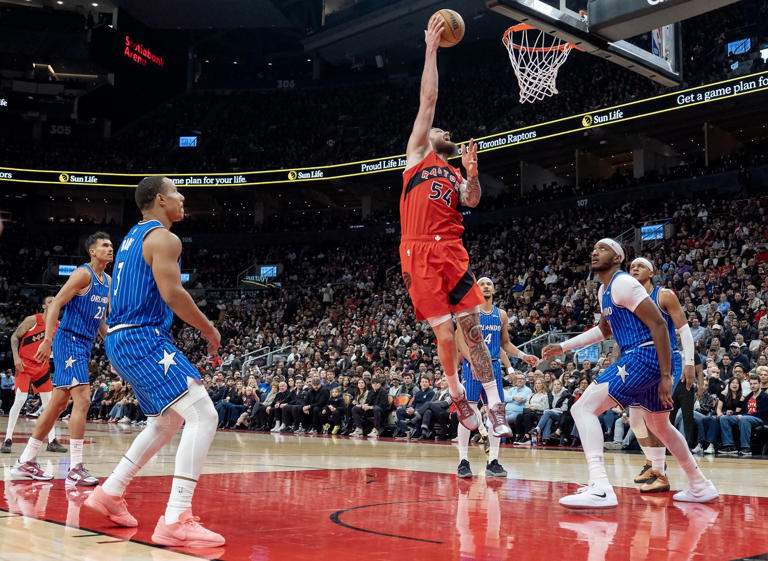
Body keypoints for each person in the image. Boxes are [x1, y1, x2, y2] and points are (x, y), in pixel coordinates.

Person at [83, 176, 224, 548]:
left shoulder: (132, 237)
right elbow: (173, 294)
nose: (182, 197)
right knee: (203, 414)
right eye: (176, 192)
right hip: (142, 337)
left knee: (166, 420)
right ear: (160, 199)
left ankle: (111, 491)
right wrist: (208, 328)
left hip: (121, 338)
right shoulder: (164, 238)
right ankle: (177, 517)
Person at [542, 239, 716, 508]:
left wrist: (667, 375)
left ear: (617, 258)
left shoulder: (623, 283)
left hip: (645, 355)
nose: (594, 252)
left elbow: (659, 325)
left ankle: (600, 487)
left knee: (583, 408)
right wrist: (564, 346)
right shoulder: (604, 290)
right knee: (659, 426)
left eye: (603, 249)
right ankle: (700, 484)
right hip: (648, 357)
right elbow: (603, 331)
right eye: (594, 248)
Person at [398, 16, 509, 438]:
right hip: (418, 249)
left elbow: (472, 200)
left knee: (473, 332)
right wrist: (431, 49)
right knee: (445, 334)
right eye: (441, 129)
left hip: (452, 250)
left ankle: (495, 405)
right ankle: (457, 393)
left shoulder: (454, 172)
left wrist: (473, 174)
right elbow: (428, 100)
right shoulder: (417, 155)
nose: (447, 130)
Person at [12, 232, 113, 485]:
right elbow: (56, 303)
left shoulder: (108, 281)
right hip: (68, 340)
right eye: (104, 245)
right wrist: (47, 340)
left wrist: (112, 347)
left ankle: (26, 461)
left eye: (111, 245)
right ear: (92, 251)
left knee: (57, 405)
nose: (110, 248)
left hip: (84, 343)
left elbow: (100, 320)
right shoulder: (83, 274)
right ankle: (75, 467)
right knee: (83, 399)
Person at [627, 257, 699, 493]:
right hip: (640, 361)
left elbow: (684, 331)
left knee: (656, 421)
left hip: (666, 360)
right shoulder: (628, 300)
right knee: (635, 419)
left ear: (651, 272)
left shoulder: (664, 295)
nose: (634, 268)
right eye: (631, 267)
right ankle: (653, 463)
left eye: (640, 266)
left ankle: (663, 471)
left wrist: (690, 363)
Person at [455, 277, 538, 478]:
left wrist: (522, 356)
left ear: (494, 289)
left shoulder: (500, 315)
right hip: (472, 366)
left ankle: (493, 461)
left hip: (493, 366)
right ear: (476, 289)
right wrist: (474, 361)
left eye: (489, 284)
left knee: (496, 412)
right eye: (482, 284)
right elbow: (460, 341)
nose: (486, 286)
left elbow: (505, 344)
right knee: (469, 412)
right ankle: (463, 461)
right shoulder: (469, 312)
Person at [3, 296, 67, 454]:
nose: (54, 303)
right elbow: (14, 337)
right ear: (44, 306)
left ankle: (52, 441)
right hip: (25, 365)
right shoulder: (32, 320)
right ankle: (7, 439)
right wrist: (16, 357)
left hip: (42, 368)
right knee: (20, 400)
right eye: (50, 301)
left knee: (49, 405)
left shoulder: (58, 325)